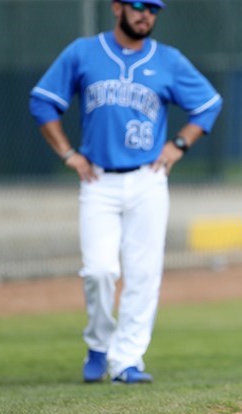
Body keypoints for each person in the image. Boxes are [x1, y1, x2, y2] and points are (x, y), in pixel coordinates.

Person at [29, 0, 222, 384]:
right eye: (137, 5)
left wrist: (178, 145)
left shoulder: (167, 59)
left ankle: (127, 360)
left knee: (143, 273)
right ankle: (99, 343)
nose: (145, 14)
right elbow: (43, 102)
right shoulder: (84, 52)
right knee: (100, 270)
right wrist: (68, 153)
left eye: (152, 8)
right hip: (98, 180)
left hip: (148, 179)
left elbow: (208, 105)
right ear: (117, 7)